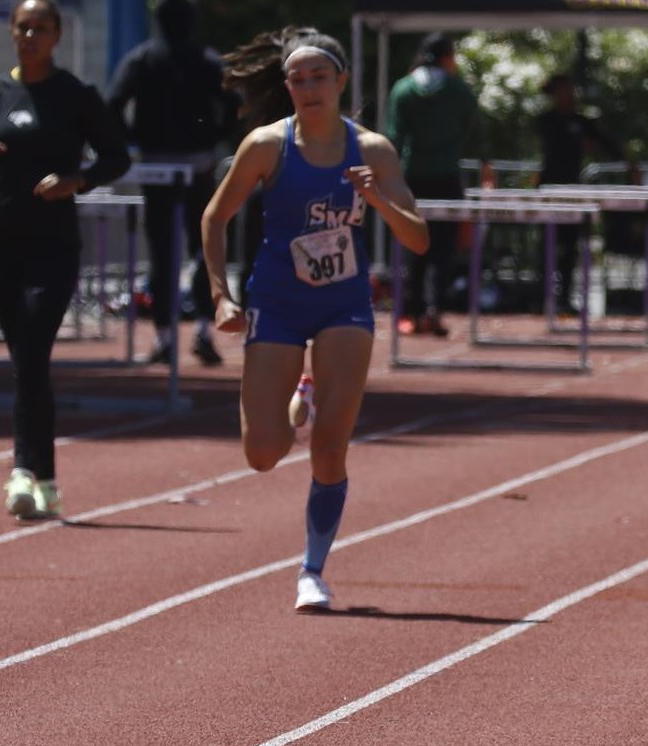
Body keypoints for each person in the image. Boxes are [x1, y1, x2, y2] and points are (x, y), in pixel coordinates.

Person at [201, 27, 429, 611]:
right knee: (264, 454)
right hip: (275, 302)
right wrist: (222, 296)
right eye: (298, 79)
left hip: (342, 303)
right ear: (287, 87)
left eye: (319, 77)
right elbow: (214, 217)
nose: (308, 87)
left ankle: (312, 570)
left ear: (341, 82)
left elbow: (418, 238)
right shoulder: (265, 146)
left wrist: (378, 200)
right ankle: (300, 390)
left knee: (330, 447)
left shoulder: (373, 149)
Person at [0, 0, 131, 519]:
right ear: (11, 31)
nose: (29, 36)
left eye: (40, 28)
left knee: (30, 350)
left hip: (53, 245)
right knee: (28, 361)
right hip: (2, 242)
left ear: (56, 35)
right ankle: (45, 478)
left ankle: (23, 471)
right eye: (22, 27)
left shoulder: (76, 96)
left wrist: (76, 181)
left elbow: (117, 156)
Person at [106, 0, 238, 367]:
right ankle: (201, 331)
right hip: (197, 164)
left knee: (163, 252)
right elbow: (233, 103)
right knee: (202, 249)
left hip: (157, 164)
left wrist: (133, 138)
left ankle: (167, 336)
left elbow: (113, 102)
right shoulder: (207, 59)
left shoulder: (143, 58)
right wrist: (214, 136)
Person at [386, 32, 489, 337]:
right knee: (442, 249)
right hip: (446, 175)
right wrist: (485, 162)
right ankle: (434, 309)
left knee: (411, 244)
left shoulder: (403, 89)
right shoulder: (457, 89)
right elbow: (476, 129)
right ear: (447, 56)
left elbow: (394, 135)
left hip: (411, 176)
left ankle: (410, 312)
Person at [535, 73, 623, 314]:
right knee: (546, 246)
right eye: (563, 91)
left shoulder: (582, 121)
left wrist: (628, 162)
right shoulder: (546, 121)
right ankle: (541, 297)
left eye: (571, 91)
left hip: (573, 190)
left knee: (569, 246)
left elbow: (607, 143)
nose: (568, 96)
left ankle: (564, 298)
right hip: (549, 189)